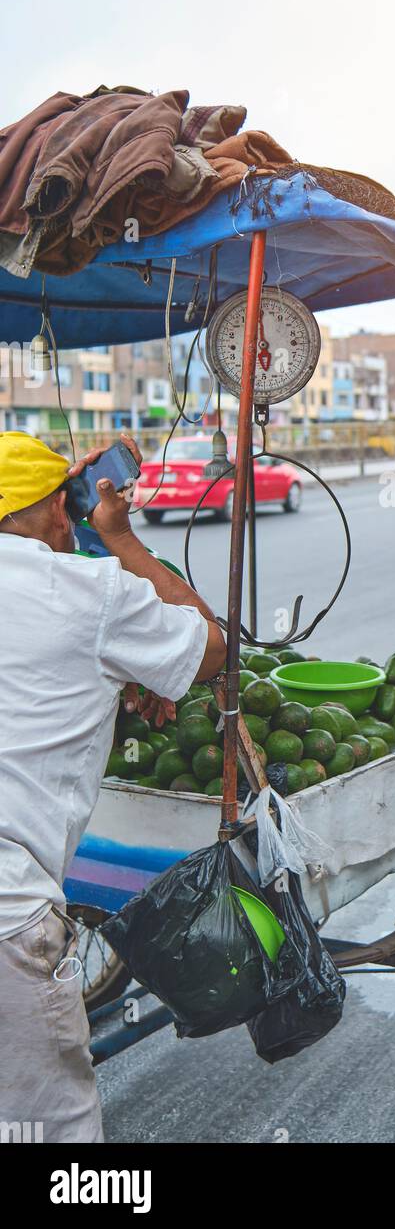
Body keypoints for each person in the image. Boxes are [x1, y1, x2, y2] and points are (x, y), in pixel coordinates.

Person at [0, 431, 226, 1142]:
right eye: (63, 506)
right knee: (50, 1139)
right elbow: (214, 650)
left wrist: (113, 675)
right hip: (8, 913)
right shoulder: (89, 586)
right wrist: (121, 538)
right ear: (49, 511)